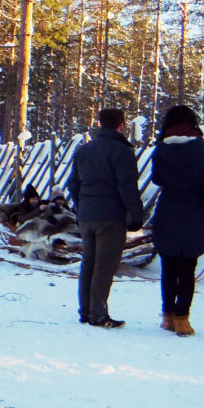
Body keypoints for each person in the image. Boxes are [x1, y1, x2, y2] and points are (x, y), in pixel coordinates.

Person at [67, 108, 145, 329]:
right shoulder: (122, 152)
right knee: (104, 266)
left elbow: (73, 184)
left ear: (100, 123)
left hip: (87, 216)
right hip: (110, 216)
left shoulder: (84, 150)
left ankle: (86, 311)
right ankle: (98, 314)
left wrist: (83, 207)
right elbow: (127, 187)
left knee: (88, 264)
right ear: (121, 125)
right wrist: (136, 215)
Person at [150, 105, 204, 337]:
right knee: (188, 267)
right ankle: (183, 319)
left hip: (168, 210)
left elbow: (156, 178)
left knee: (168, 267)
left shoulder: (160, 149)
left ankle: (167, 316)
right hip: (195, 211)